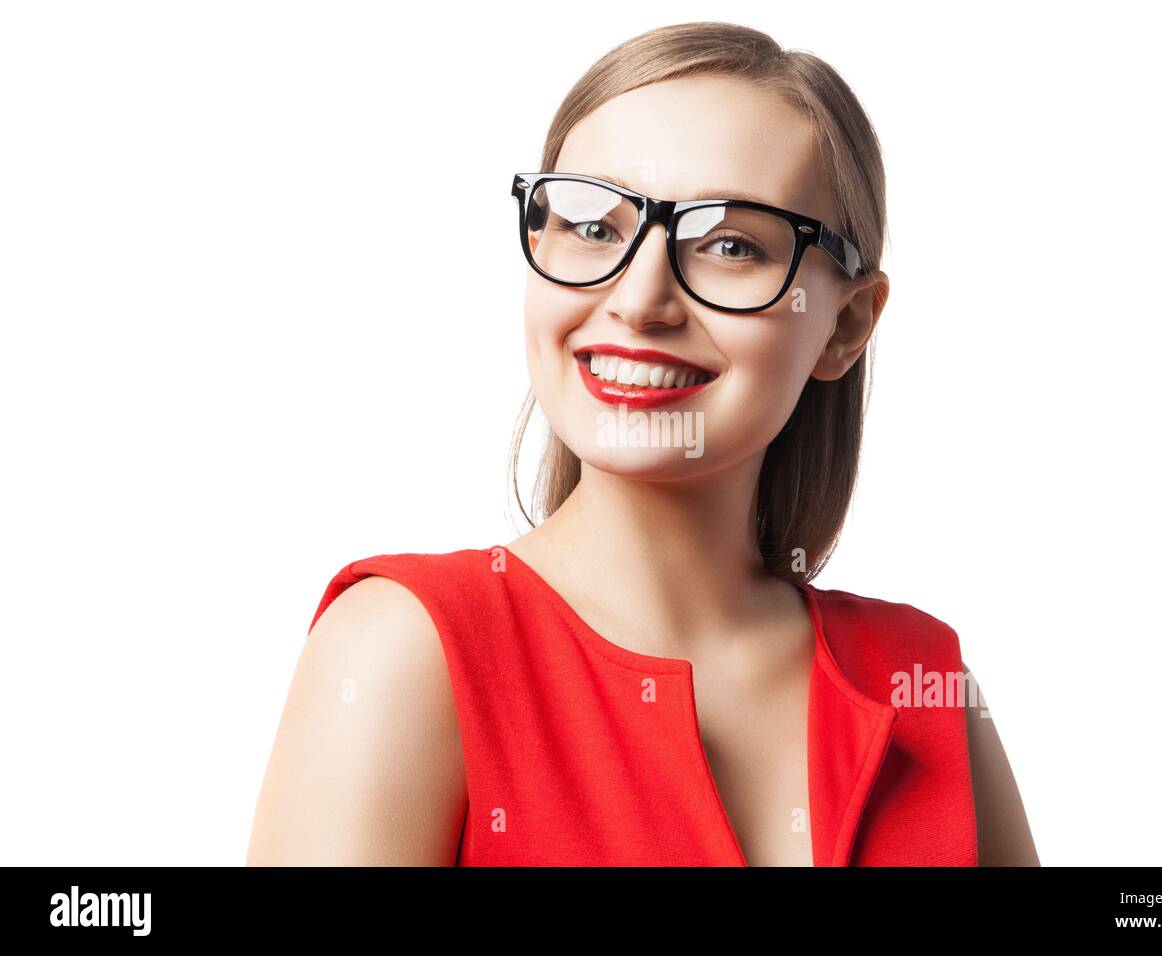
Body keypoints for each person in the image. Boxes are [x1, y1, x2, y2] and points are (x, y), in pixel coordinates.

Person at [247, 20, 1038, 867]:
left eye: (731, 244)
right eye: (592, 226)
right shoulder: (405, 652)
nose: (640, 298)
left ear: (845, 325)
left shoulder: (926, 682)